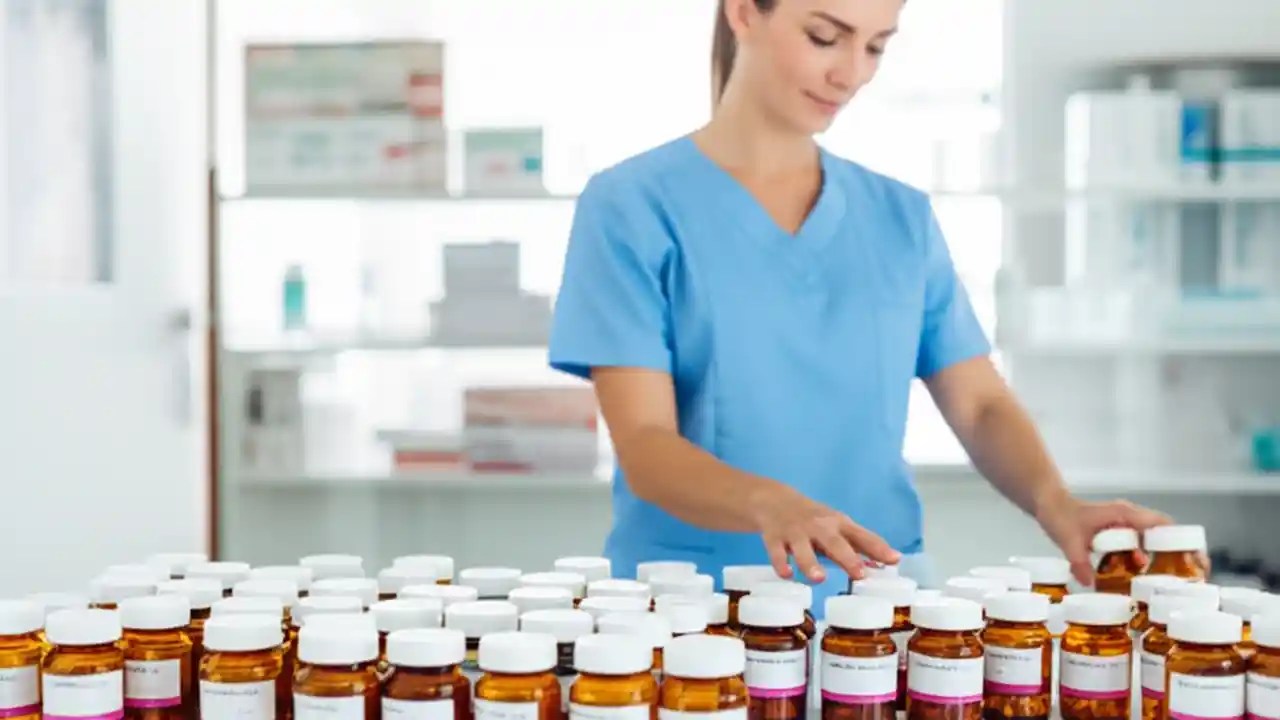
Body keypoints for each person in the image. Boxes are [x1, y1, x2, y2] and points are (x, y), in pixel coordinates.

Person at [547, 0, 1170, 608]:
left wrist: (1056, 503)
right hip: (698, 603)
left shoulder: (900, 217)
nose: (851, 73)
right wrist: (772, 503)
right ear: (743, 12)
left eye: (875, 46)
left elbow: (978, 403)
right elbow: (647, 445)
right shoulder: (632, 206)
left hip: (881, 598)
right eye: (824, 36)